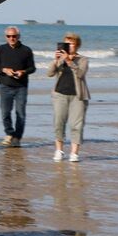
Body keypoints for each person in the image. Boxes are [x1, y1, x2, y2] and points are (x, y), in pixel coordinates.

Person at [48, 33, 91, 162]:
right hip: (60, 94)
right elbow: (49, 73)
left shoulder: (83, 59)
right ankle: (59, 150)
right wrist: (56, 60)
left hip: (78, 96)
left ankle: (74, 153)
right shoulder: (60, 59)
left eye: (71, 44)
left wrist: (69, 60)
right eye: (66, 44)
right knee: (58, 122)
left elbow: (80, 73)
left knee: (76, 125)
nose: (69, 46)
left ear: (77, 45)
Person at [0, 27, 35, 146]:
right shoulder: (1, 49)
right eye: (9, 36)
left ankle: (17, 138)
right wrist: (4, 70)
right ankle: (9, 133)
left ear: (18, 36)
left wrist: (23, 72)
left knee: (20, 113)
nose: (12, 38)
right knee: (5, 112)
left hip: (21, 87)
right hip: (5, 86)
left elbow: (32, 68)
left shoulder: (26, 50)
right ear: (6, 37)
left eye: (14, 36)